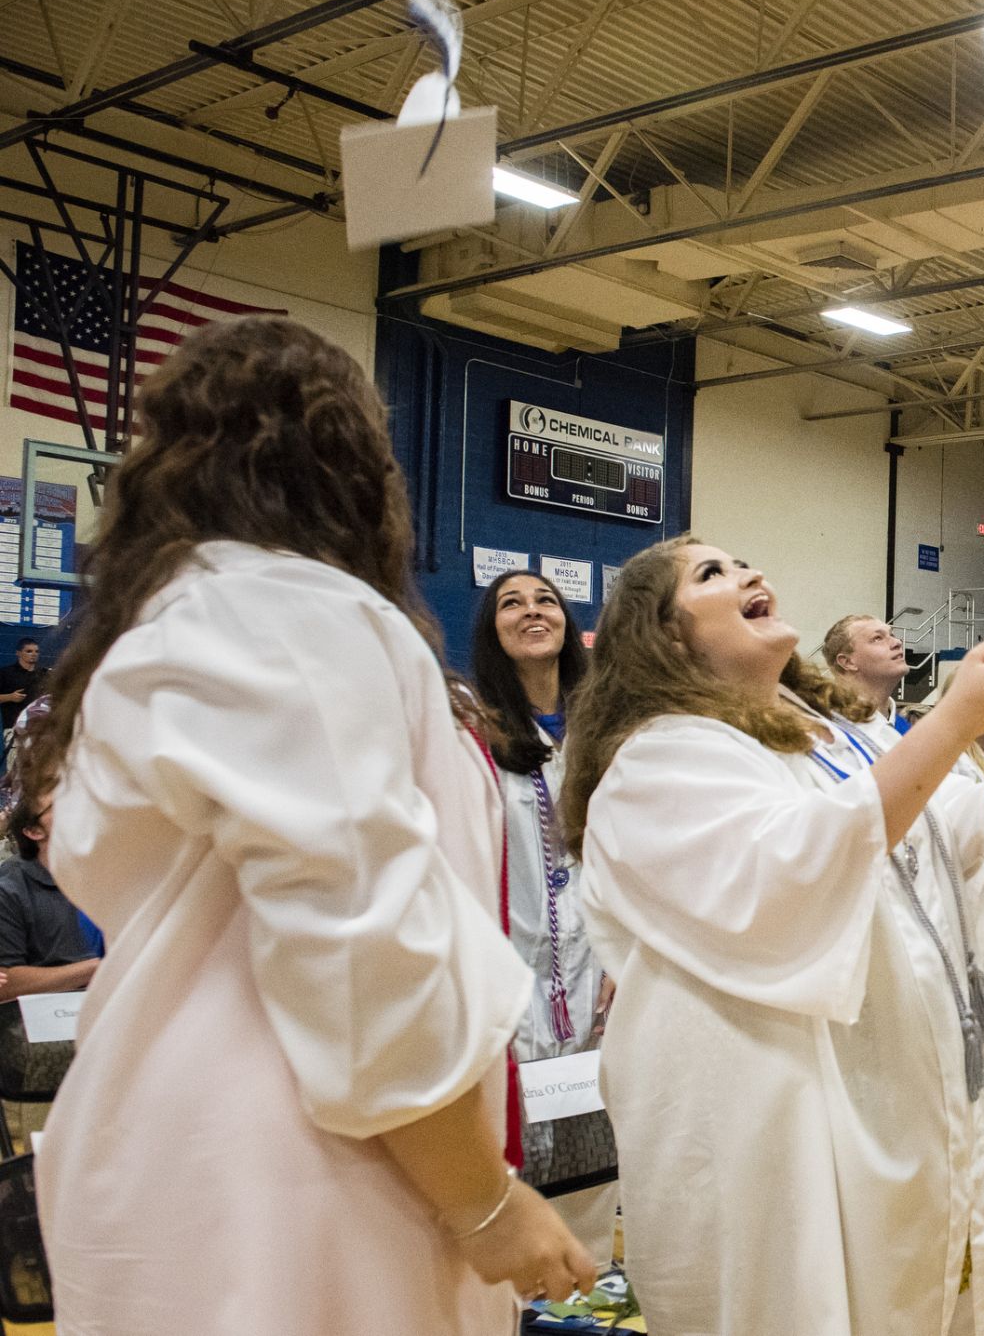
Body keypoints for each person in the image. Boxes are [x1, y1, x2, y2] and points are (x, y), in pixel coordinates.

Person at [19, 318, 591, 1330]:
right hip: (304, 1151)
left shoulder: (175, 622)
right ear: (348, 462)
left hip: (198, 1134)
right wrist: (481, 1196)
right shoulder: (283, 609)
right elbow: (357, 936)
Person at [568, 537, 984, 1335]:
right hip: (776, 1118)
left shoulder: (824, 729)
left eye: (741, 562)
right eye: (712, 574)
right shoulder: (658, 757)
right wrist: (955, 721)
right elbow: (790, 876)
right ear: (663, 636)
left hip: (893, 1084)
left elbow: (916, 852)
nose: (749, 573)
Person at [468, 570, 617, 1264]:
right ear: (492, 631)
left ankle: (582, 1290)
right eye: (512, 602)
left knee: (592, 1148)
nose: (532, 610)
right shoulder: (473, 728)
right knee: (518, 1146)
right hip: (509, 959)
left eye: (545, 599)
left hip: (597, 963)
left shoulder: (605, 729)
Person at [0, 793, 100, 1144]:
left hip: (109, 1017)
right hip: (41, 1030)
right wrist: (96, 968)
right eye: (57, 805)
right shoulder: (10, 887)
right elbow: (7, 982)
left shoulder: (106, 872)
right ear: (32, 831)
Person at [823, 612, 911, 737]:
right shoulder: (824, 729)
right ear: (848, 662)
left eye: (892, 635)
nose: (897, 642)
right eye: (877, 638)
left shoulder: (908, 730)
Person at [0, 637, 45, 742]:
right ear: (18, 653)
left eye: (36, 651)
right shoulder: (5, 673)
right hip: (13, 728)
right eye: (29, 651)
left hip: (39, 730)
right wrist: (9, 697)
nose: (34, 654)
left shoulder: (44, 674)